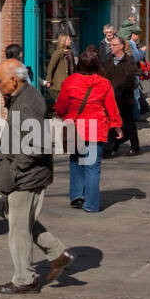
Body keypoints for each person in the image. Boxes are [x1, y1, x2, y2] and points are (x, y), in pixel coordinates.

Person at [0, 59, 74, 295]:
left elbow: (37, 146)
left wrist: (16, 170)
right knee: (19, 220)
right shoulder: (24, 96)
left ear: (14, 80)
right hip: (27, 174)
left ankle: (24, 280)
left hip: (26, 177)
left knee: (18, 230)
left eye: (0, 81)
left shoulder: (26, 103)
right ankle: (58, 253)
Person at [55, 49, 123, 213]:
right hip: (95, 127)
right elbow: (111, 108)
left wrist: (62, 115)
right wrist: (117, 126)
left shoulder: (70, 81)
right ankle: (91, 204)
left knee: (76, 161)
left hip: (75, 126)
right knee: (92, 166)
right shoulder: (104, 83)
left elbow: (61, 105)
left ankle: (77, 195)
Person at [102, 37, 140, 157]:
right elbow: (103, 76)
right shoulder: (108, 60)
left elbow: (129, 79)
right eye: (110, 45)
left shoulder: (129, 61)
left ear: (121, 46)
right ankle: (109, 149)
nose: (111, 47)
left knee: (128, 122)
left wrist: (118, 89)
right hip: (110, 98)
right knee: (111, 123)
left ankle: (135, 147)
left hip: (124, 98)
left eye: (113, 45)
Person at [45, 34, 74, 100]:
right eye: (68, 40)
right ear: (63, 41)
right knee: (61, 102)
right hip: (60, 82)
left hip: (70, 81)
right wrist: (49, 80)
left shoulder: (70, 52)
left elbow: (72, 67)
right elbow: (51, 67)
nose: (70, 41)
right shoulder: (58, 53)